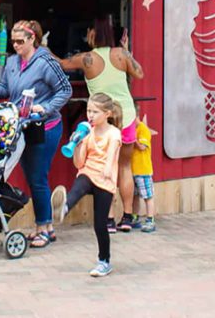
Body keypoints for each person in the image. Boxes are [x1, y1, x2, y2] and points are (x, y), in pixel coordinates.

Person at [54, 16, 144, 232]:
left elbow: (61, 64)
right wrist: (127, 50)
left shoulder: (86, 58)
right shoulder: (121, 55)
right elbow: (140, 74)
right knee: (124, 167)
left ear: (93, 33)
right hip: (127, 116)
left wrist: (44, 47)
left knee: (105, 168)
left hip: (102, 119)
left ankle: (109, 219)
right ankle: (129, 217)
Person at [0, 19, 72, 248]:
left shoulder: (45, 61)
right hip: (22, 126)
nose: (15, 45)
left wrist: (45, 108)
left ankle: (43, 228)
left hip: (44, 127)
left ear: (32, 39)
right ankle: (46, 228)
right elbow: (6, 90)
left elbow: (65, 89)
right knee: (33, 177)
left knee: (38, 177)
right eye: (13, 41)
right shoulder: (13, 62)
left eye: (19, 41)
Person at [52, 93, 122, 277]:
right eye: (89, 110)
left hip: (105, 180)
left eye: (95, 112)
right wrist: (77, 145)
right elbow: (79, 164)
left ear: (107, 113)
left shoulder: (113, 133)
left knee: (100, 225)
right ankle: (64, 208)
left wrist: (107, 168)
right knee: (79, 184)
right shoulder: (87, 132)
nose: (90, 115)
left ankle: (104, 261)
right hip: (88, 172)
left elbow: (113, 152)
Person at [130, 105, 156, 233]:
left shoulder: (143, 129)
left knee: (147, 196)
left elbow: (141, 147)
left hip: (143, 170)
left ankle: (150, 219)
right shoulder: (133, 129)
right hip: (132, 170)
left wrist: (132, 138)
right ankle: (135, 217)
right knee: (134, 196)